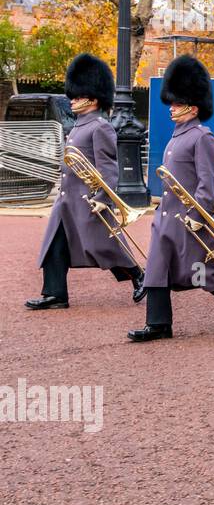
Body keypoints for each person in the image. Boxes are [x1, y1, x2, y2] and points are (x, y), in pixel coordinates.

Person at [129, 55, 214, 342]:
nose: (171, 108)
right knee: (158, 266)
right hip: (167, 213)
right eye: (172, 102)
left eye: (176, 103)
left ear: (193, 106)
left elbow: (208, 182)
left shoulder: (202, 137)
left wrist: (198, 215)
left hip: (191, 216)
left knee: (207, 266)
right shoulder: (178, 135)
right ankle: (158, 323)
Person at [28, 53, 145, 311]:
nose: (73, 100)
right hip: (66, 201)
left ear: (92, 99)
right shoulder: (79, 126)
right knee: (53, 246)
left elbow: (108, 169)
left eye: (78, 96)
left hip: (88, 201)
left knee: (105, 246)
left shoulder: (100, 127)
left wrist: (102, 199)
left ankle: (138, 275)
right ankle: (55, 294)